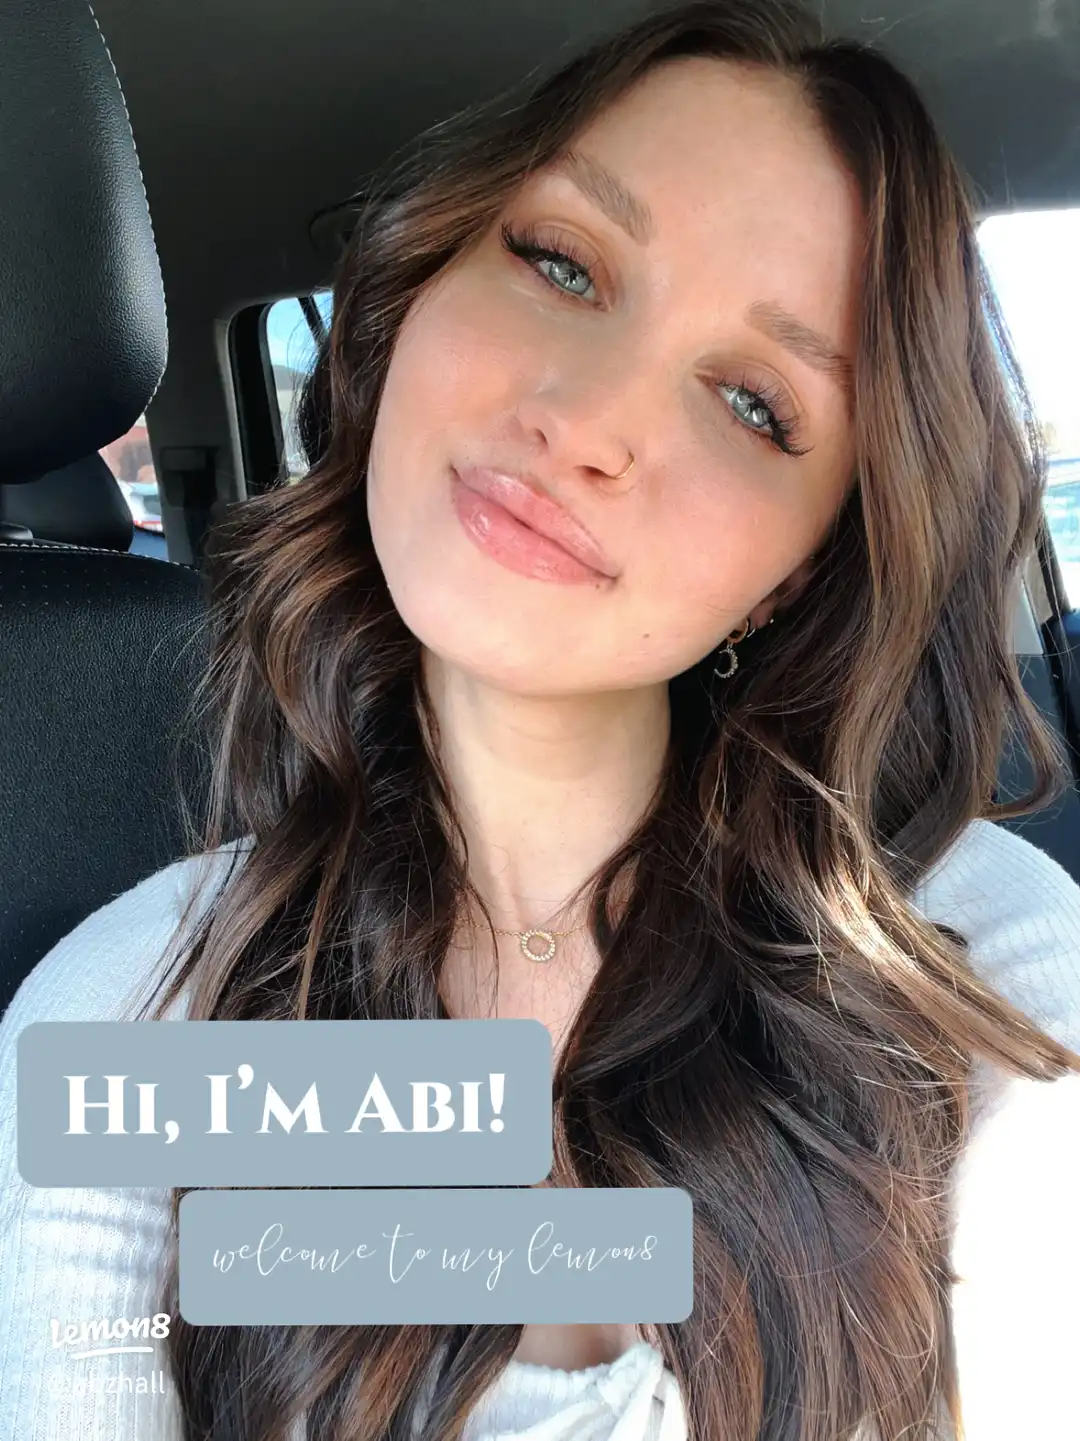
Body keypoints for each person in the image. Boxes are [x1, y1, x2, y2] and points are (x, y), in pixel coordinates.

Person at [1, 1, 1079, 1437]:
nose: (589, 419)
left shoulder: (968, 965)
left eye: (756, 405)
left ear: (797, 572)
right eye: (564, 263)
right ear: (416, 290)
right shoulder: (143, 1016)